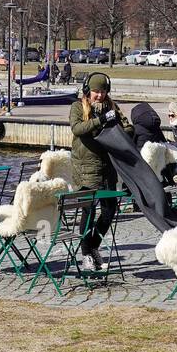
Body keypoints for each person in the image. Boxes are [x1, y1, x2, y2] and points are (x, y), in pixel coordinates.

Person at [68, 73, 132, 271]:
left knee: (109, 211)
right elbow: (77, 128)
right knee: (88, 211)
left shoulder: (112, 106)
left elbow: (129, 128)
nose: (100, 95)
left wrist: (116, 130)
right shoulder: (77, 107)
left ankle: (94, 246)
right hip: (85, 168)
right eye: (96, 91)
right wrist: (100, 121)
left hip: (107, 167)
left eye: (103, 91)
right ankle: (86, 254)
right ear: (88, 91)